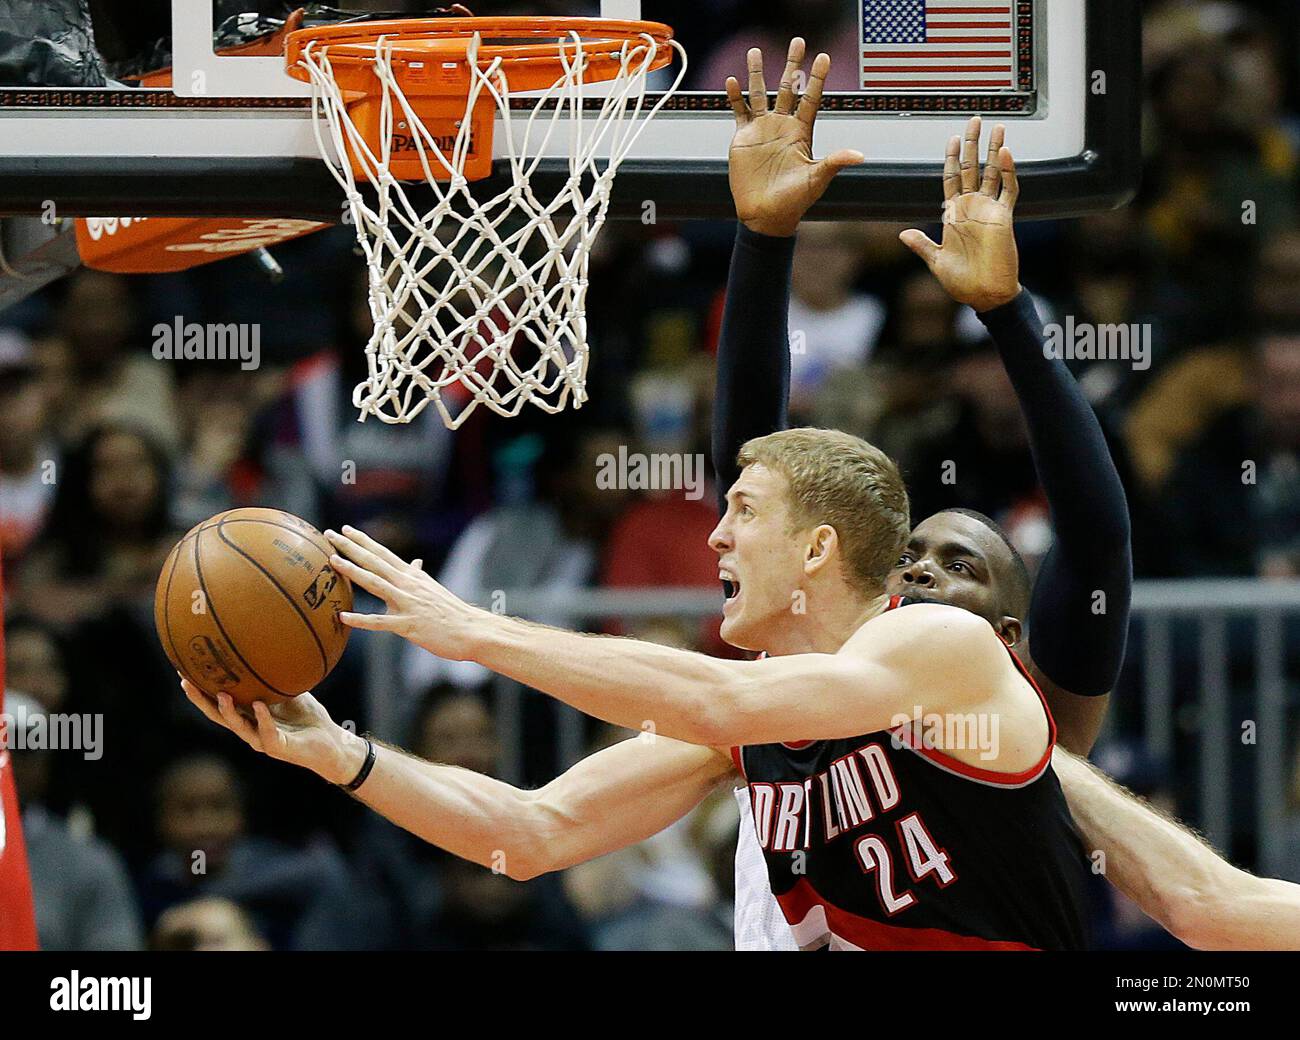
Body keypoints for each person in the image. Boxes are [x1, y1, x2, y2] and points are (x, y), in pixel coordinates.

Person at [182, 42, 1090, 952]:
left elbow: (720, 700)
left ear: (818, 552)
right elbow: (531, 835)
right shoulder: (761, 714)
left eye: (742, 516)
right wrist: (339, 753)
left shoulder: (936, 643)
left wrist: (474, 629)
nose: (714, 540)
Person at [712, 62, 1132, 944]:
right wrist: (763, 233)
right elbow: (754, 476)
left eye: (961, 565)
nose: (920, 572)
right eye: (909, 560)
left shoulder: (1023, 716)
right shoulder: (812, 664)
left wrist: (1008, 313)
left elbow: (1094, 542)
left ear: (1012, 636)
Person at [1053, 748, 1300, 950]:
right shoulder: (1072, 872)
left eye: (1142, 799)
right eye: (1123, 798)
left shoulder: (1202, 865)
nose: (1135, 811)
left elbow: (1198, 906)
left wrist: (1045, 755)